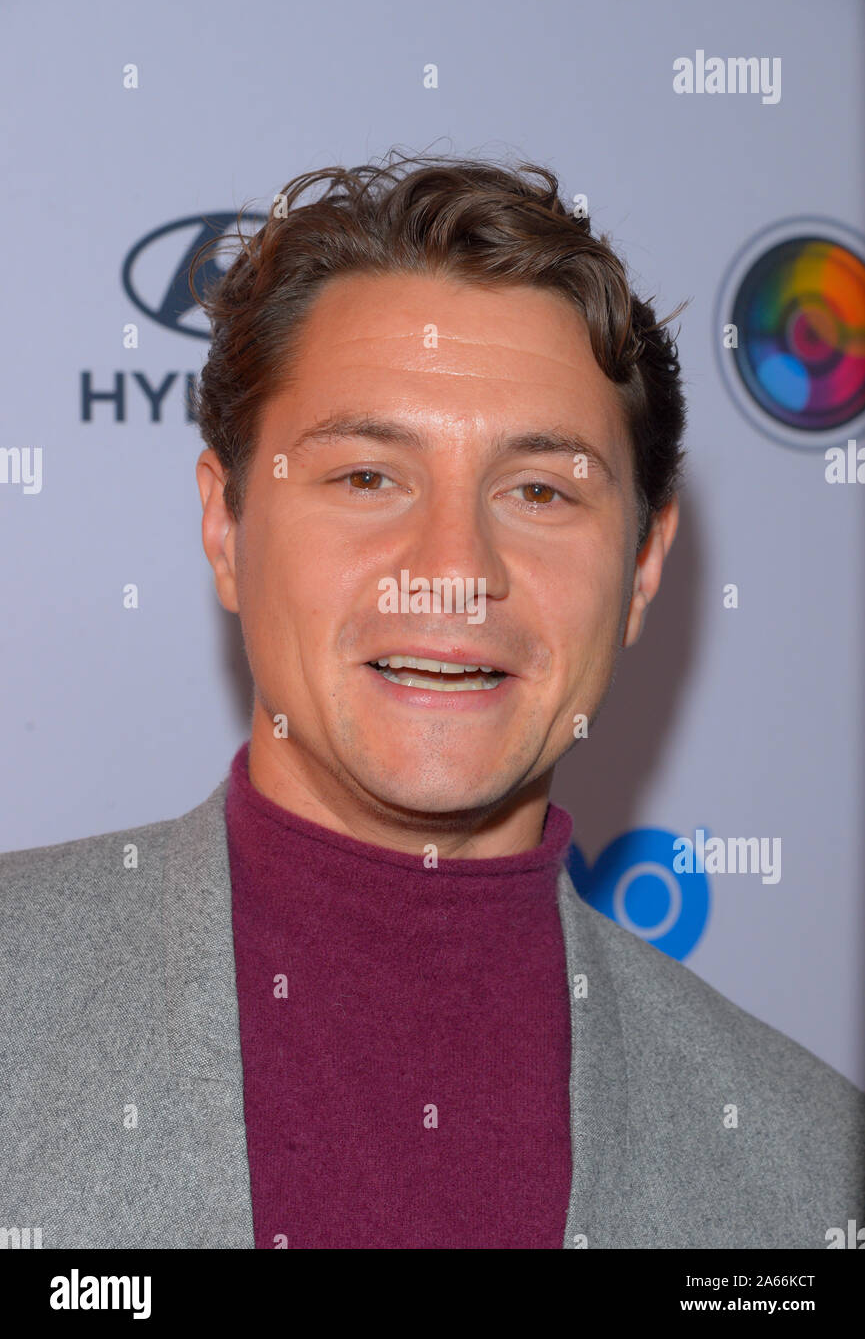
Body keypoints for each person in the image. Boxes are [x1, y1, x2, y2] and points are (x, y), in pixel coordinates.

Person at [1, 152, 861, 1250]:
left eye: (540, 490)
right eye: (367, 477)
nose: (453, 568)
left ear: (643, 567)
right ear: (226, 528)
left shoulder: (810, 1176)